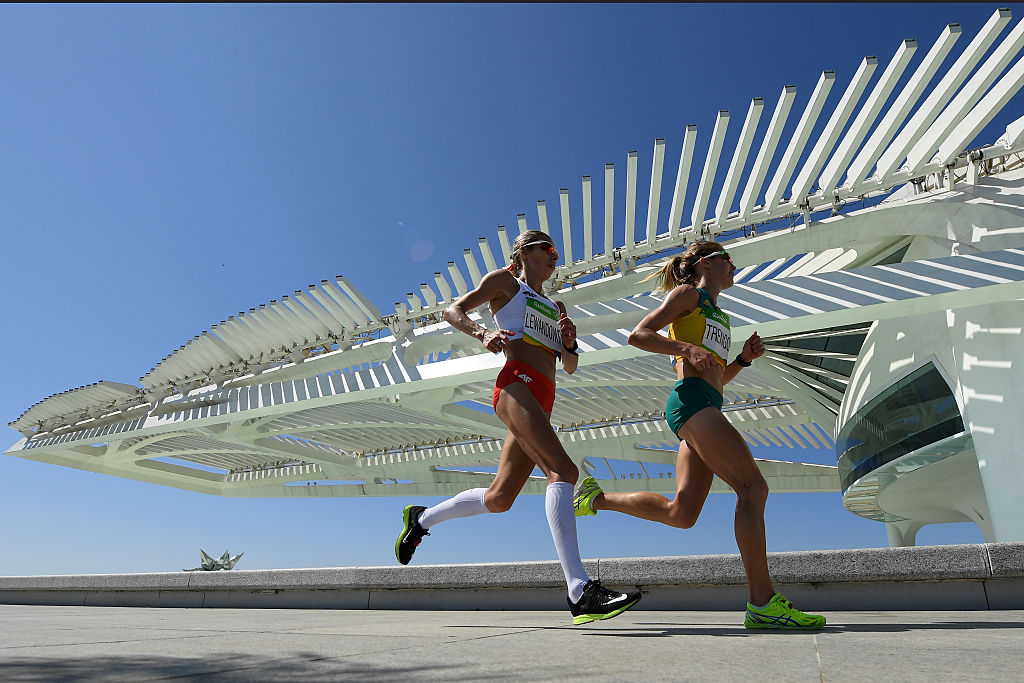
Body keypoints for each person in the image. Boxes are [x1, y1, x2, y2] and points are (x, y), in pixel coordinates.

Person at [573, 240, 825, 630]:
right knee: (753, 489)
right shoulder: (688, 293)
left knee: (683, 514)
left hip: (705, 403)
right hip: (691, 404)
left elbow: (717, 379)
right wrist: (684, 347)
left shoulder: (718, 315)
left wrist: (741, 359)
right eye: (729, 260)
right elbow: (639, 334)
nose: (734, 267)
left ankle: (596, 499)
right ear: (707, 262)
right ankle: (763, 602)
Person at [395, 230, 642, 625]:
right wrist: (483, 333)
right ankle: (579, 591)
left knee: (500, 498)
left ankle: (421, 520)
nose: (554, 257)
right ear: (523, 252)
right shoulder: (504, 283)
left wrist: (570, 344)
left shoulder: (554, 304)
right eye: (547, 249)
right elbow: (453, 311)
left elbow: (570, 366)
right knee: (563, 471)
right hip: (515, 384)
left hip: (543, 397)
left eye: (557, 252)